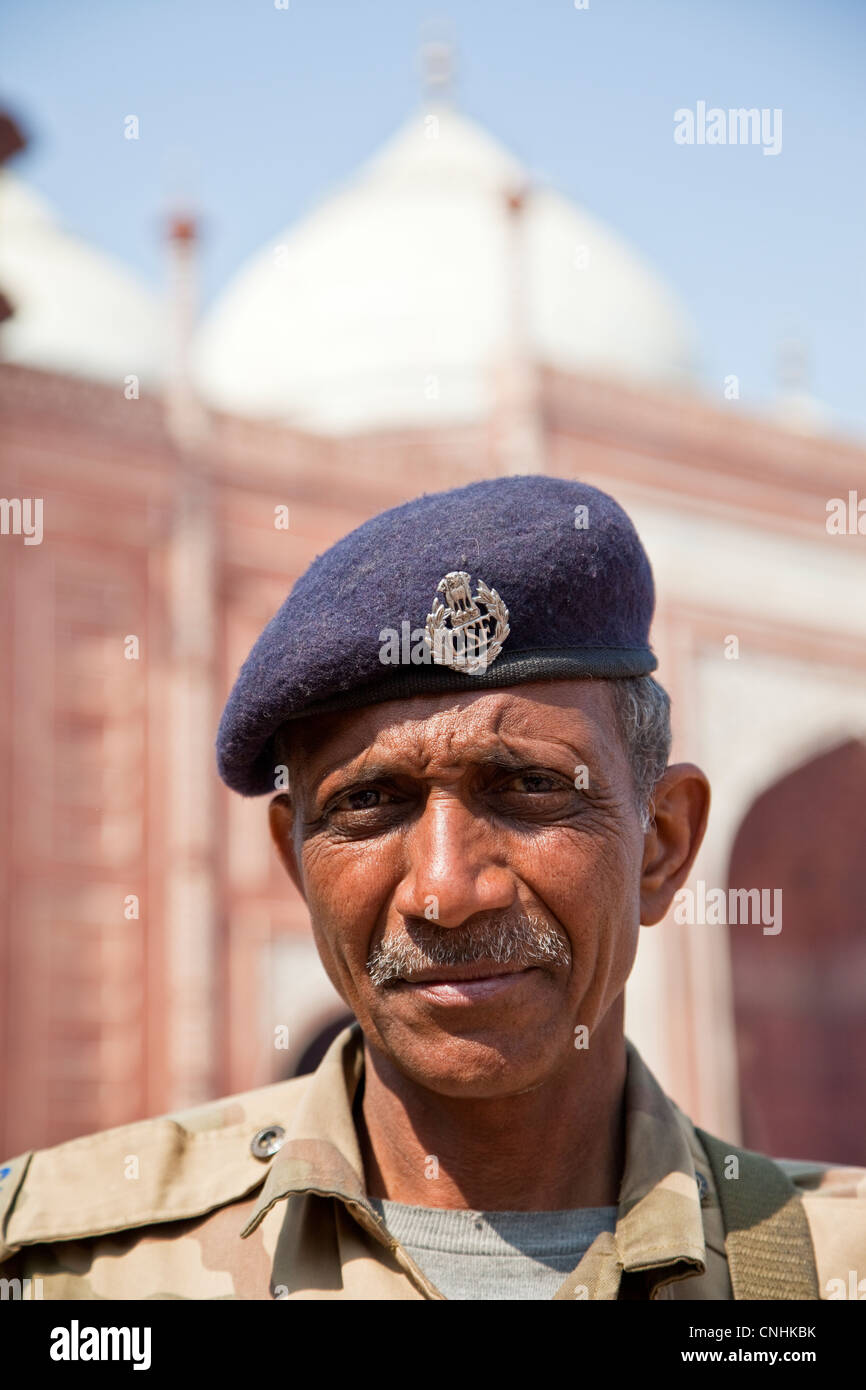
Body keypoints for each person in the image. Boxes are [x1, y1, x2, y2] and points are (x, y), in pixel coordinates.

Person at [1, 475, 863, 1300]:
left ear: (661, 846)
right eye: (368, 804)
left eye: (529, 787)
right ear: (294, 862)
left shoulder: (826, 1270)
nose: (446, 891)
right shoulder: (70, 1268)